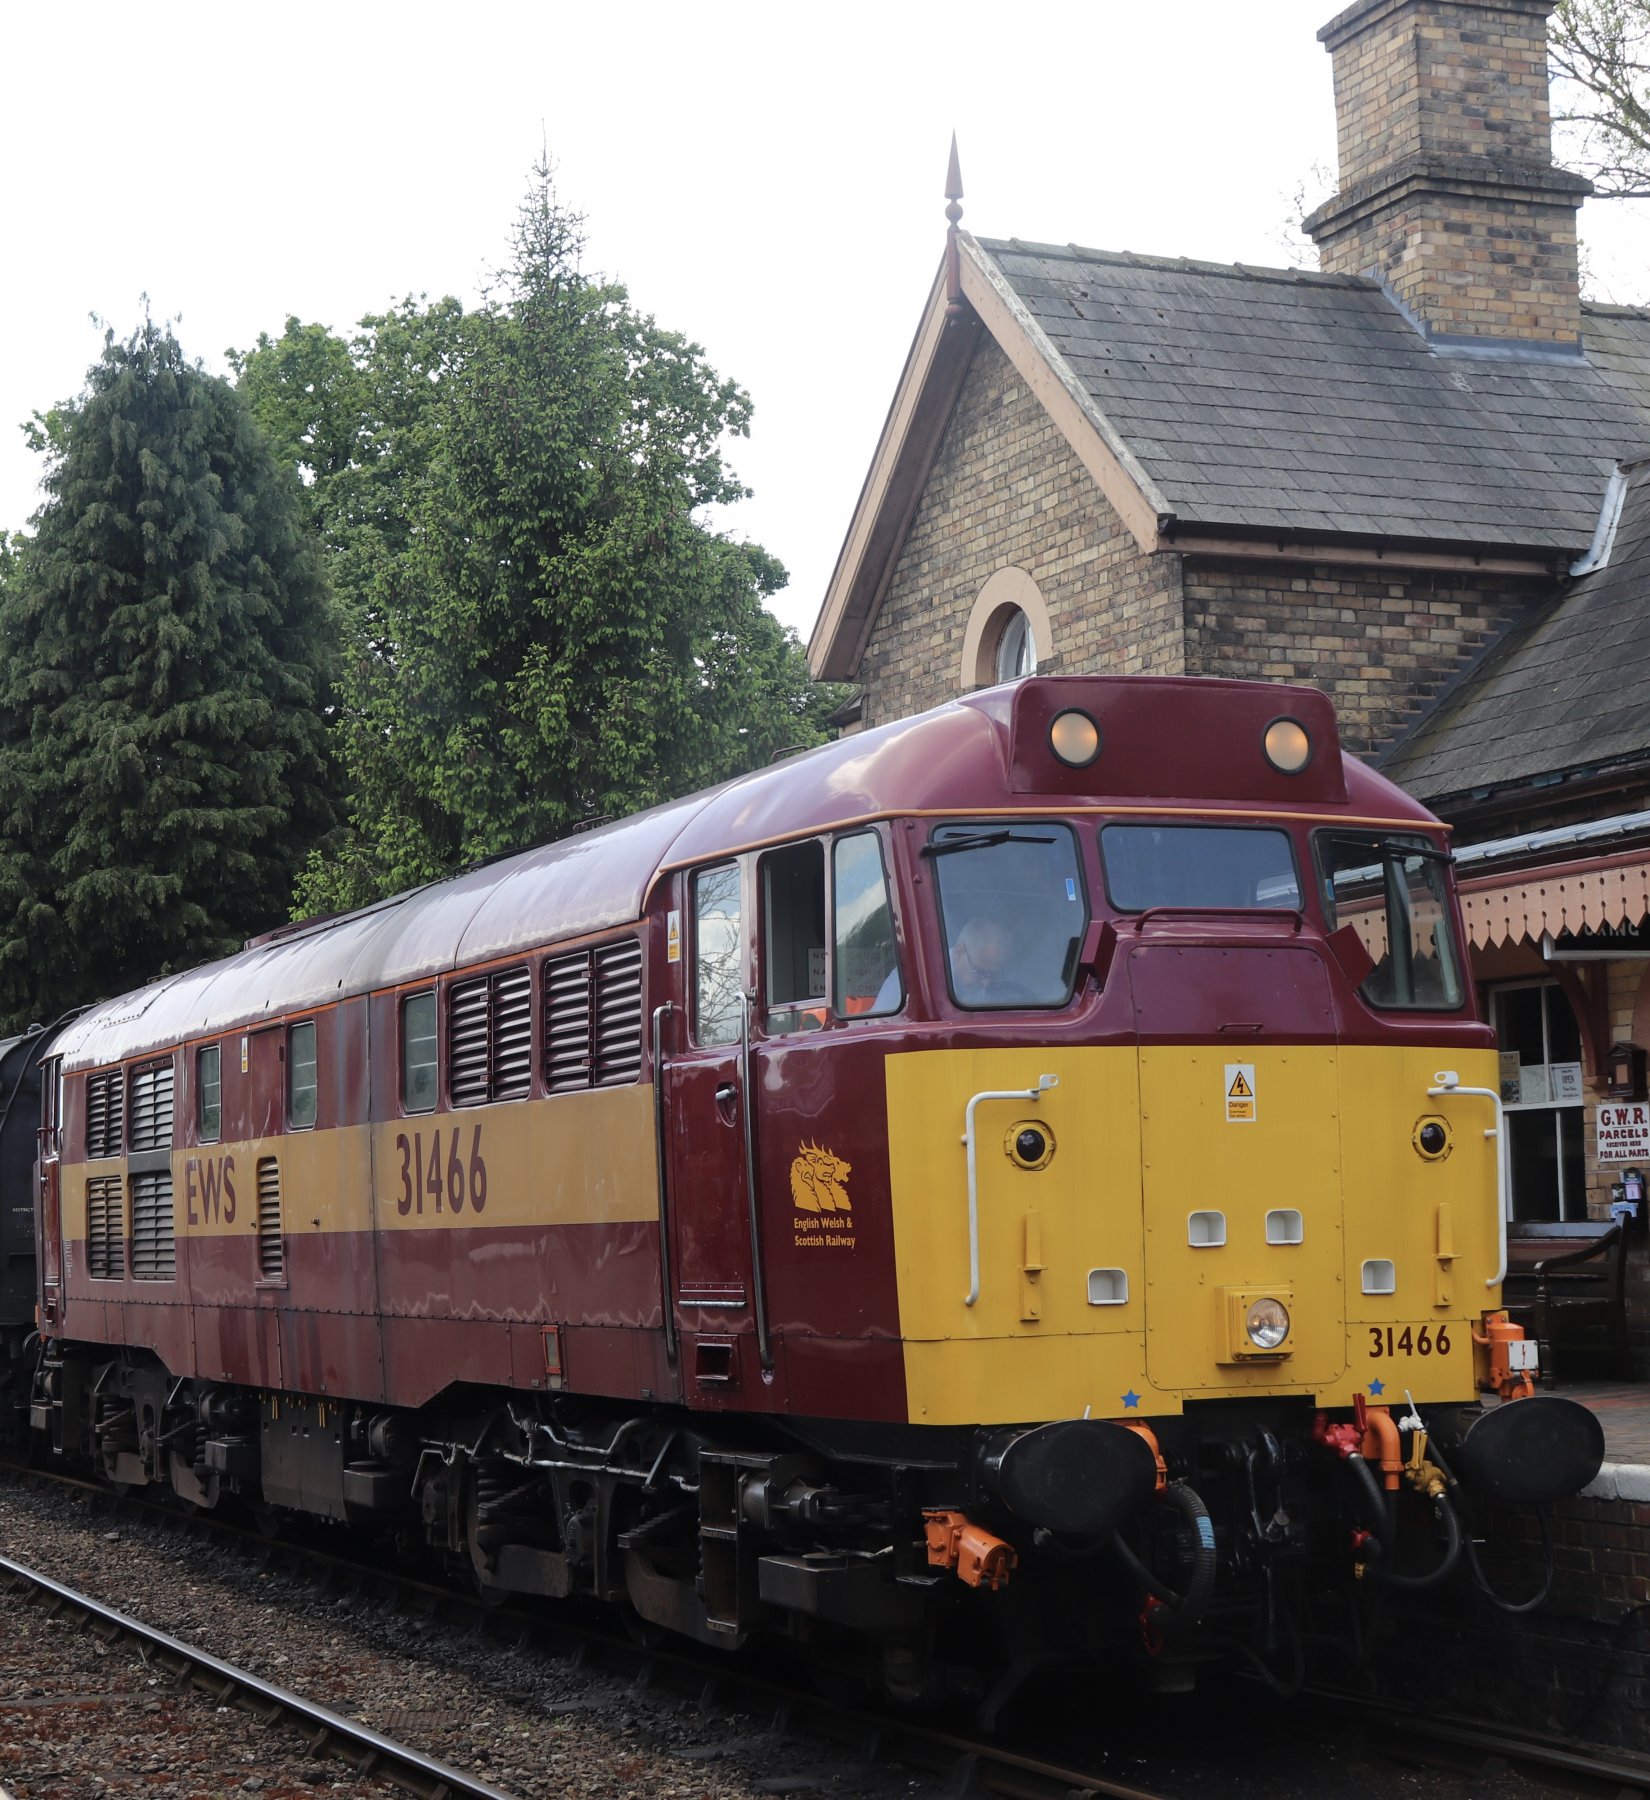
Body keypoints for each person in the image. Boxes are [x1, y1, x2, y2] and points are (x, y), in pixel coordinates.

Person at [949, 916, 1029, 1004]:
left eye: (994, 975)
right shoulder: (936, 979)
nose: (986, 983)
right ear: (959, 952)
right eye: (980, 972)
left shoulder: (982, 991)